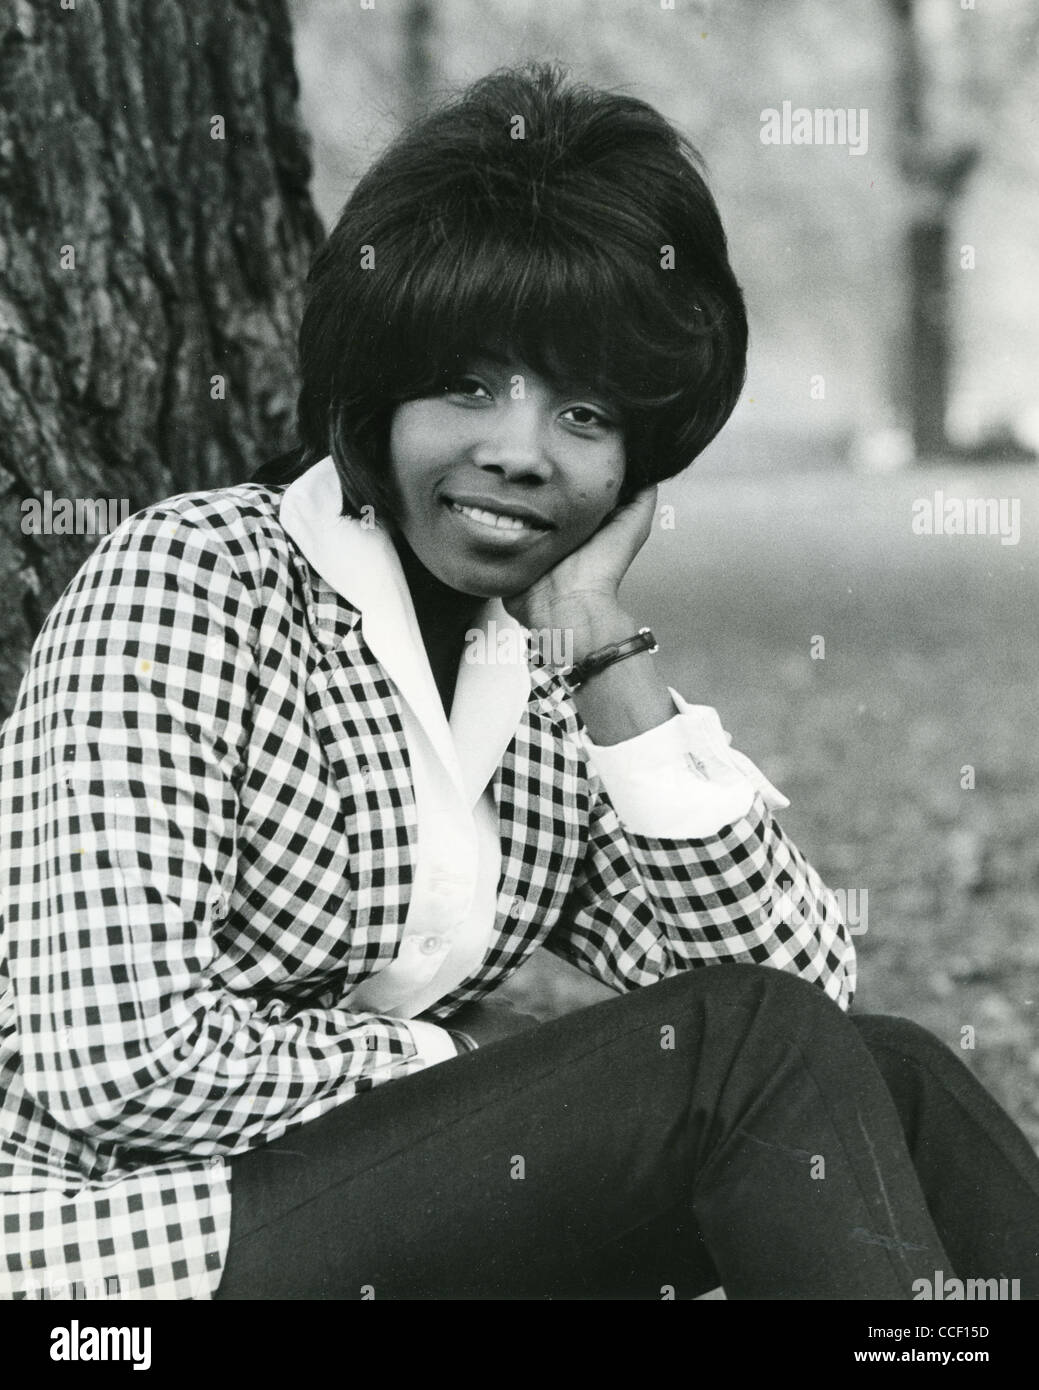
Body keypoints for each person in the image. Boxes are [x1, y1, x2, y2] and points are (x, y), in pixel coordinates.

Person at [2, 63, 1038, 1303]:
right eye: (469, 383)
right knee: (731, 1051)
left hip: (378, 1232)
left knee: (895, 1075)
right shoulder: (192, 583)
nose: (517, 450)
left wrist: (600, 649)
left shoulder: (540, 678)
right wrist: (445, 1058)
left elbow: (799, 1000)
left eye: (585, 413)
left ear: (638, 463)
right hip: (115, 1259)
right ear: (379, 387)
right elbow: (115, 1063)